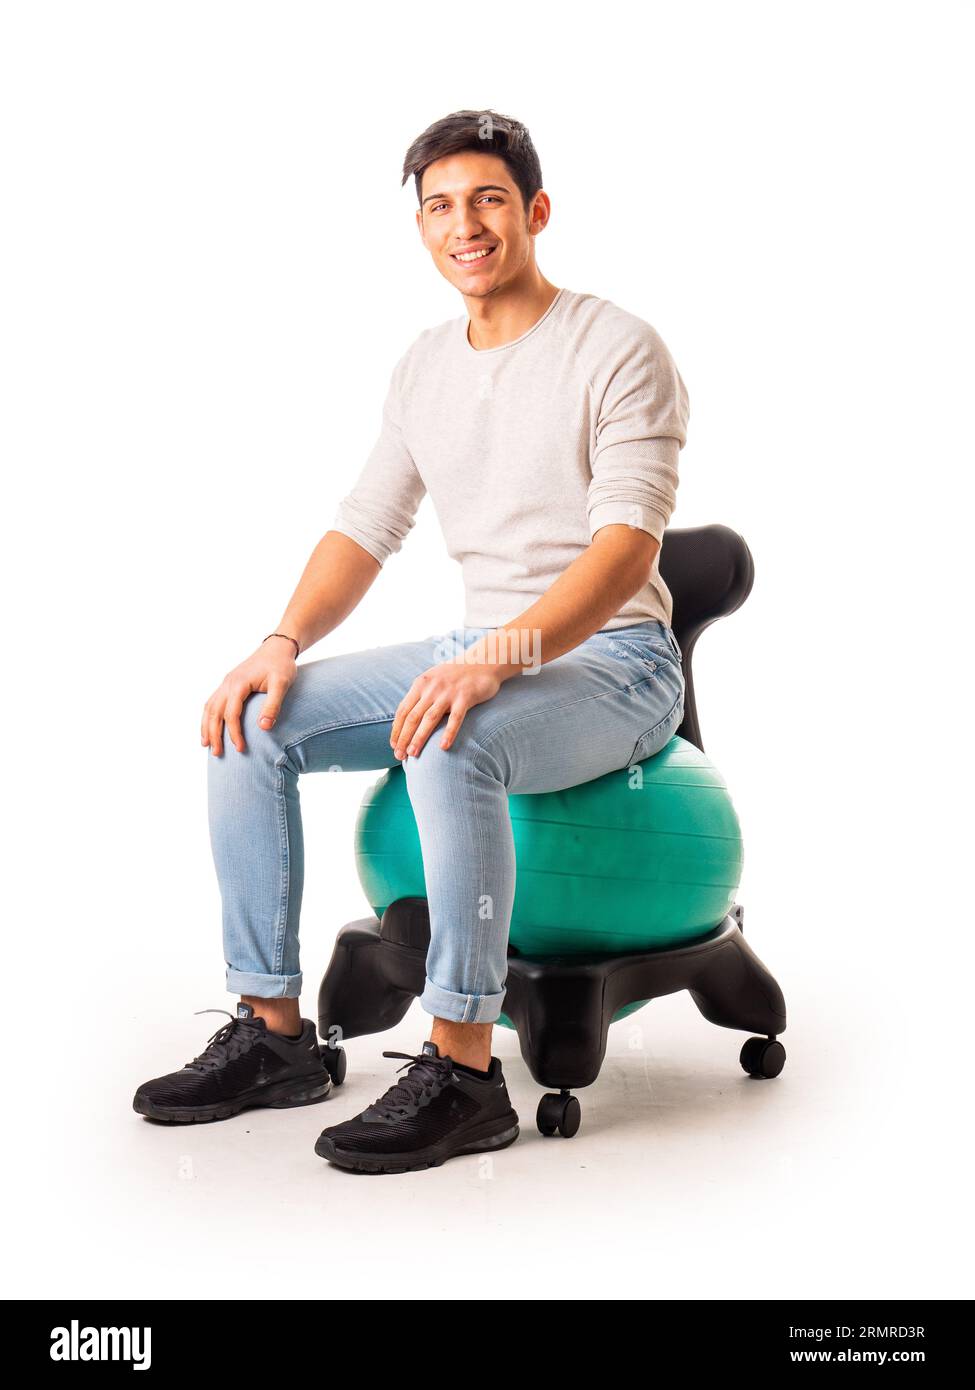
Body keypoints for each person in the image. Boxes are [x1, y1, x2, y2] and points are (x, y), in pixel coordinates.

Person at [133, 108, 689, 1174]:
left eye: (486, 199)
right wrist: (281, 638)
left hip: (615, 662)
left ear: (534, 211)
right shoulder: (425, 366)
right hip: (479, 639)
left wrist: (499, 657)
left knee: (449, 740)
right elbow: (366, 523)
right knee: (251, 723)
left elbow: (624, 550)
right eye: (438, 206)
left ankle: (466, 1070)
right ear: (423, 228)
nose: (463, 224)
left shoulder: (616, 346)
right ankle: (273, 1034)